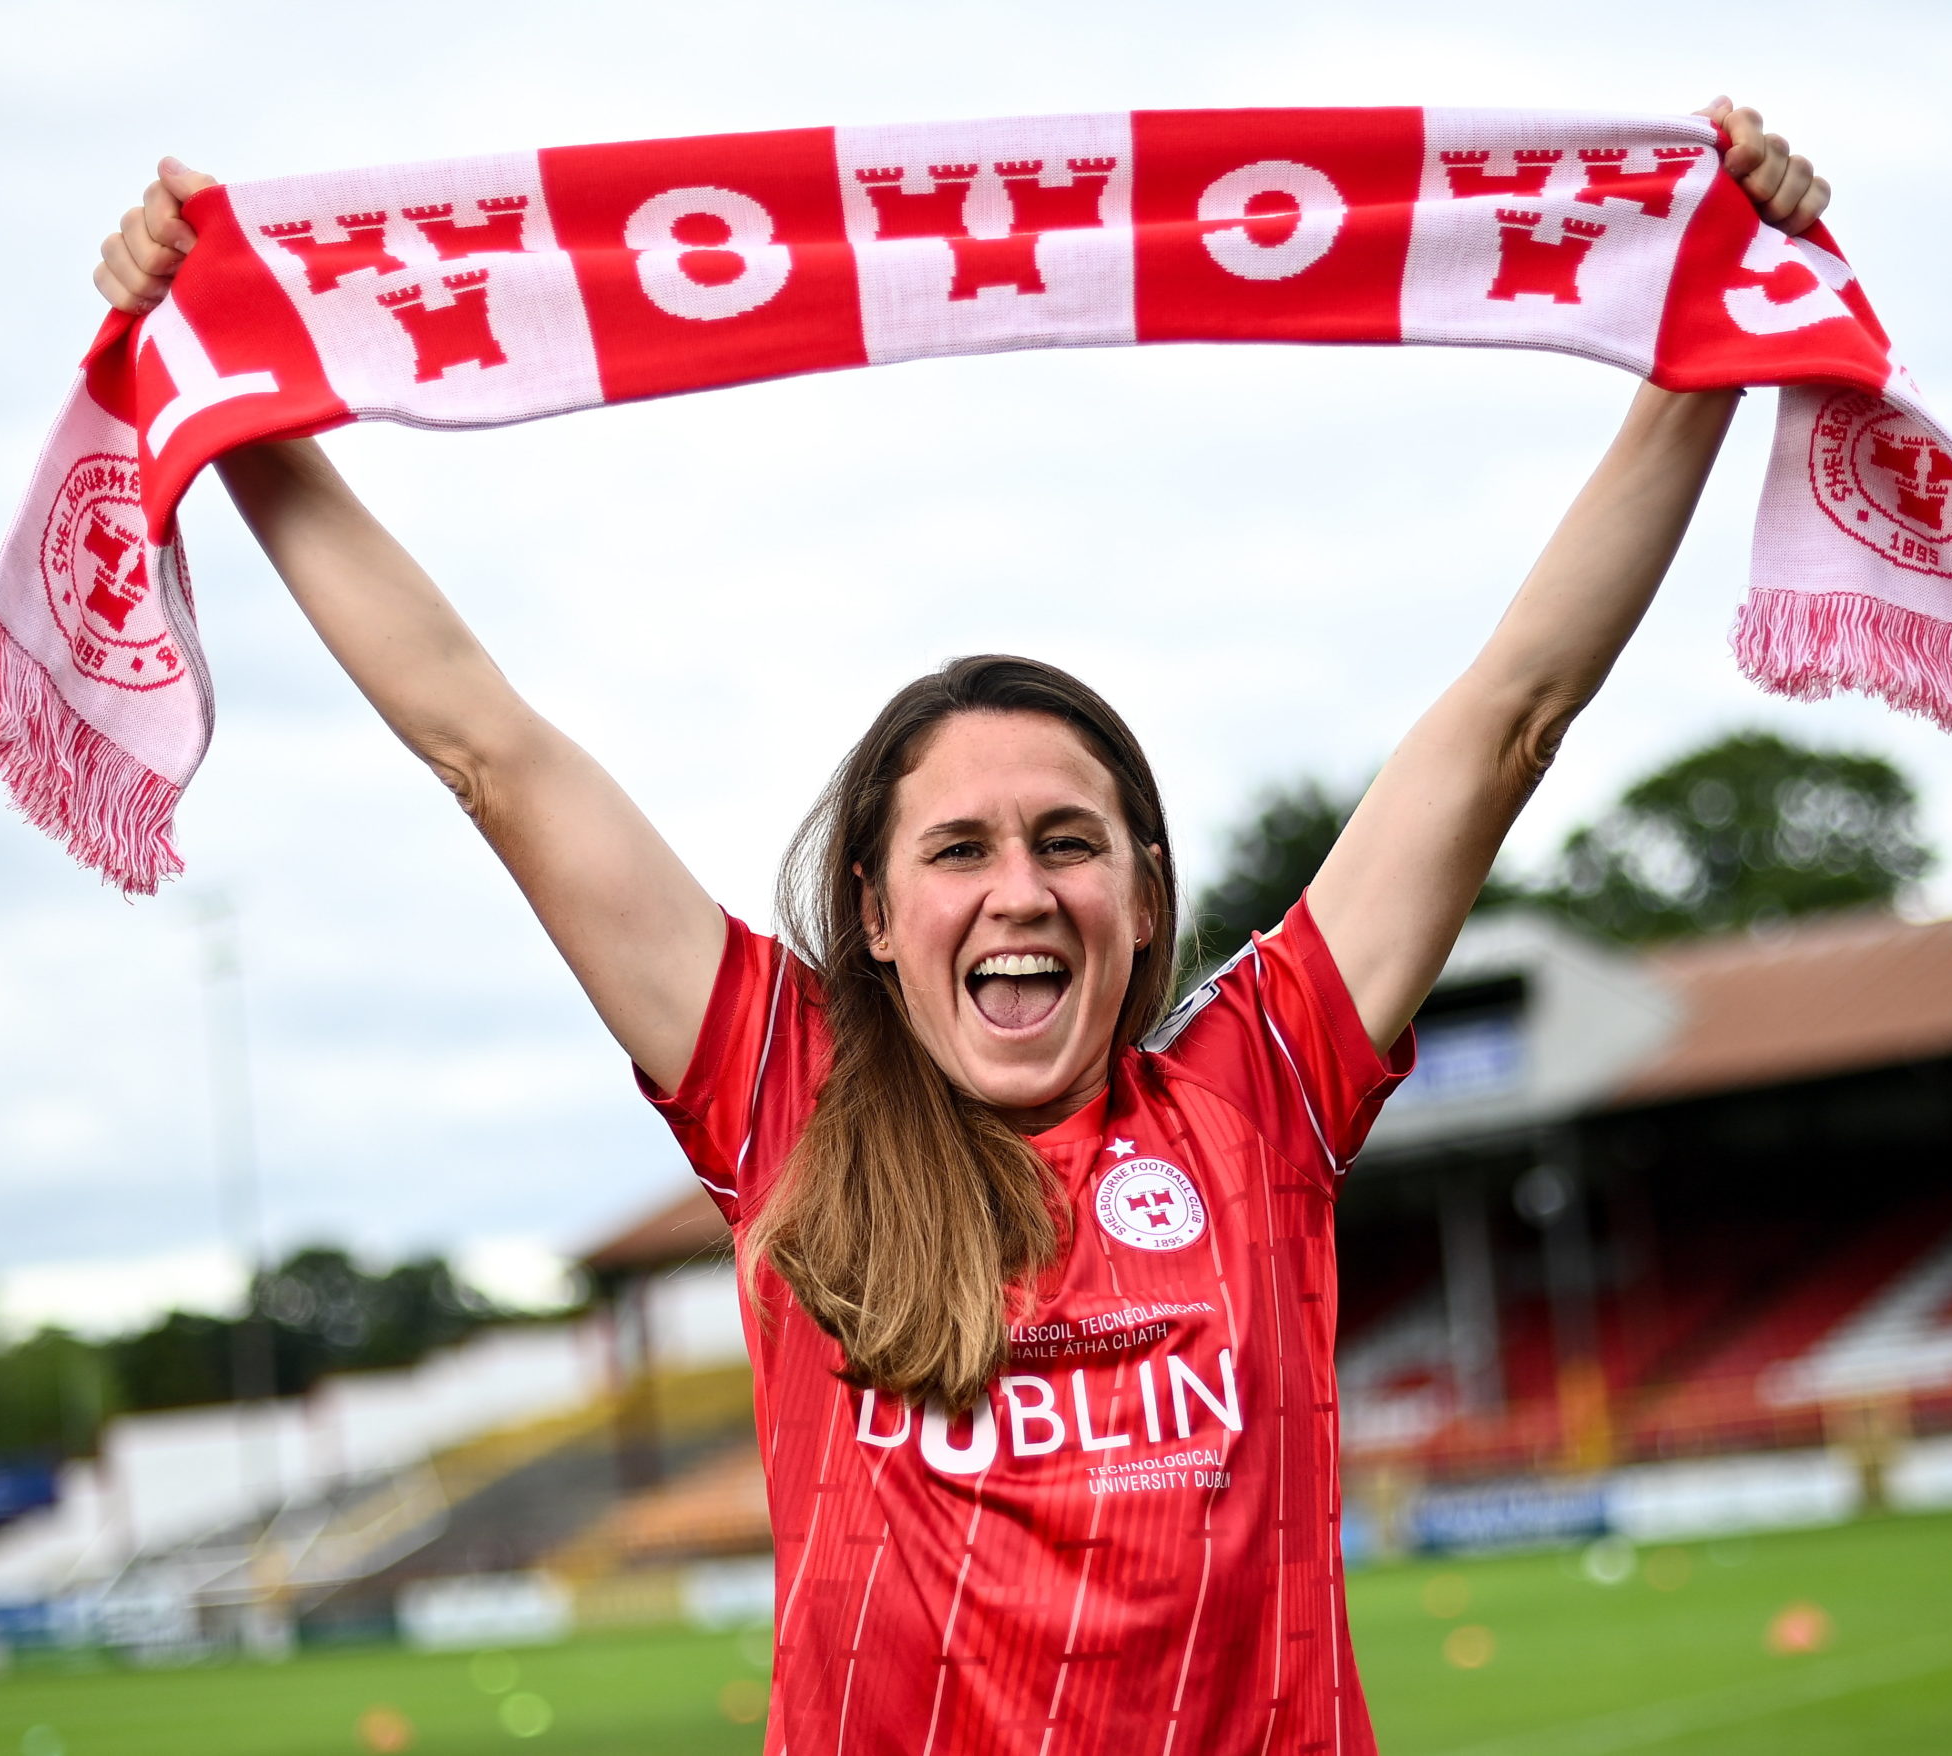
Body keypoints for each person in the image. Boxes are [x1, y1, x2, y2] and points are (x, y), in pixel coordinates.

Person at [96, 99, 1826, 1756]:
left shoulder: (1259, 1095)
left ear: (1143, 899)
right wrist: (242, 407)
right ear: (874, 905)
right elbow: (488, 746)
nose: (1020, 891)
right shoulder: (781, 1094)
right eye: (960, 850)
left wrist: (1710, 343)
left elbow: (1511, 715)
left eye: (1071, 842)